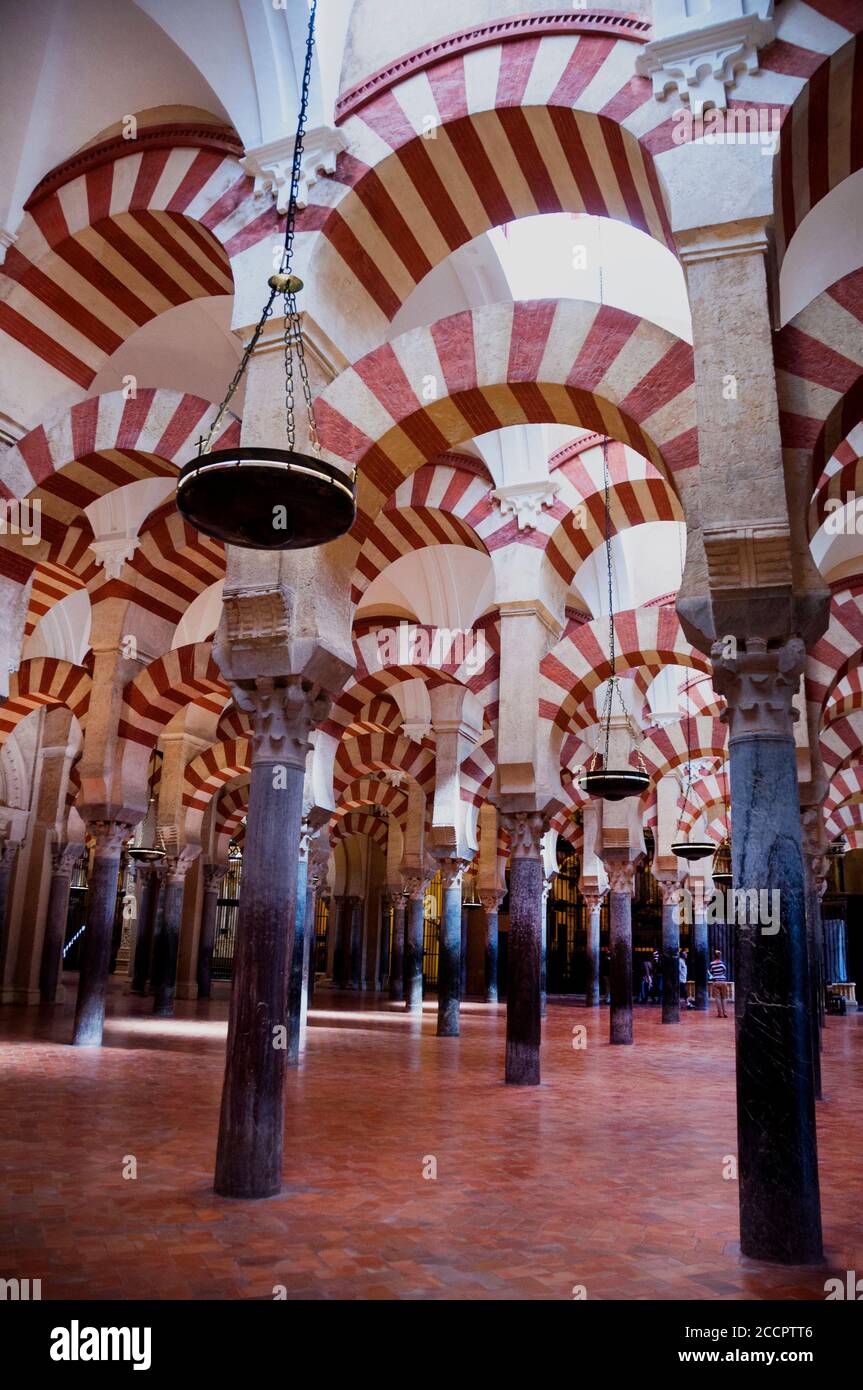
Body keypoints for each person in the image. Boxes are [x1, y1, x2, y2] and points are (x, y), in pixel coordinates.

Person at [708, 950, 729, 1017]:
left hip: (716, 981)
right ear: (720, 956)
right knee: (724, 997)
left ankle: (720, 1014)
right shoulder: (722, 963)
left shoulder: (712, 964)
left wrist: (714, 975)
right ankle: (725, 1013)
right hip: (723, 981)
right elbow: (724, 971)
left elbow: (710, 972)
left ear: (714, 956)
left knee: (717, 998)